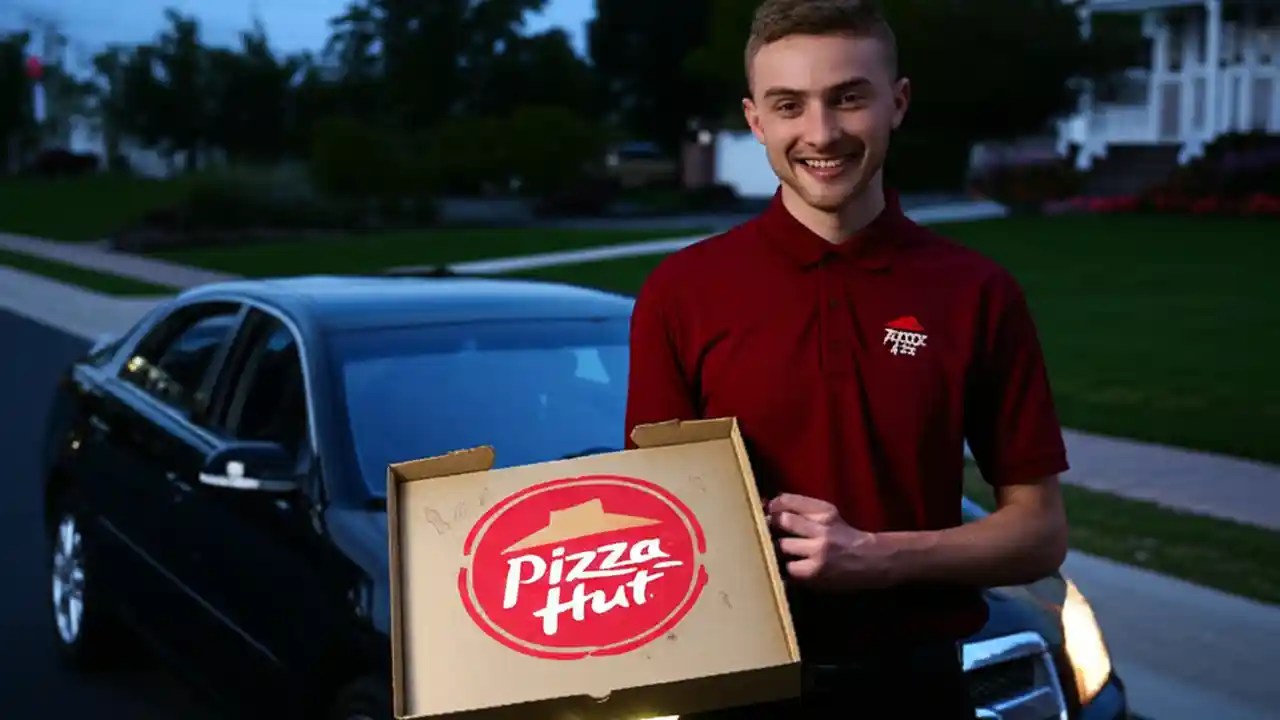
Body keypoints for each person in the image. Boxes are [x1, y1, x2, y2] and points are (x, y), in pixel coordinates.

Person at [623, 0, 1071, 717]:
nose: (821, 133)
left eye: (849, 99)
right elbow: (658, 529)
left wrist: (877, 555)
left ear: (897, 103)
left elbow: (1040, 533)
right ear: (755, 120)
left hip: (915, 690)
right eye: (789, 105)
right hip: (737, 693)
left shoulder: (977, 293)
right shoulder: (681, 292)